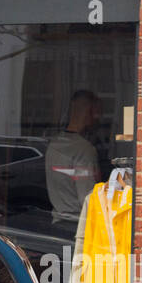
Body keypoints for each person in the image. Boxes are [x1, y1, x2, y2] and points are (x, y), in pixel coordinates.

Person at [45, 90, 102, 223]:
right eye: (98, 112)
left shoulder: (54, 144)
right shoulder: (84, 149)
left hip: (58, 223)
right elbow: (87, 198)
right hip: (75, 227)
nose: (99, 117)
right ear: (90, 111)